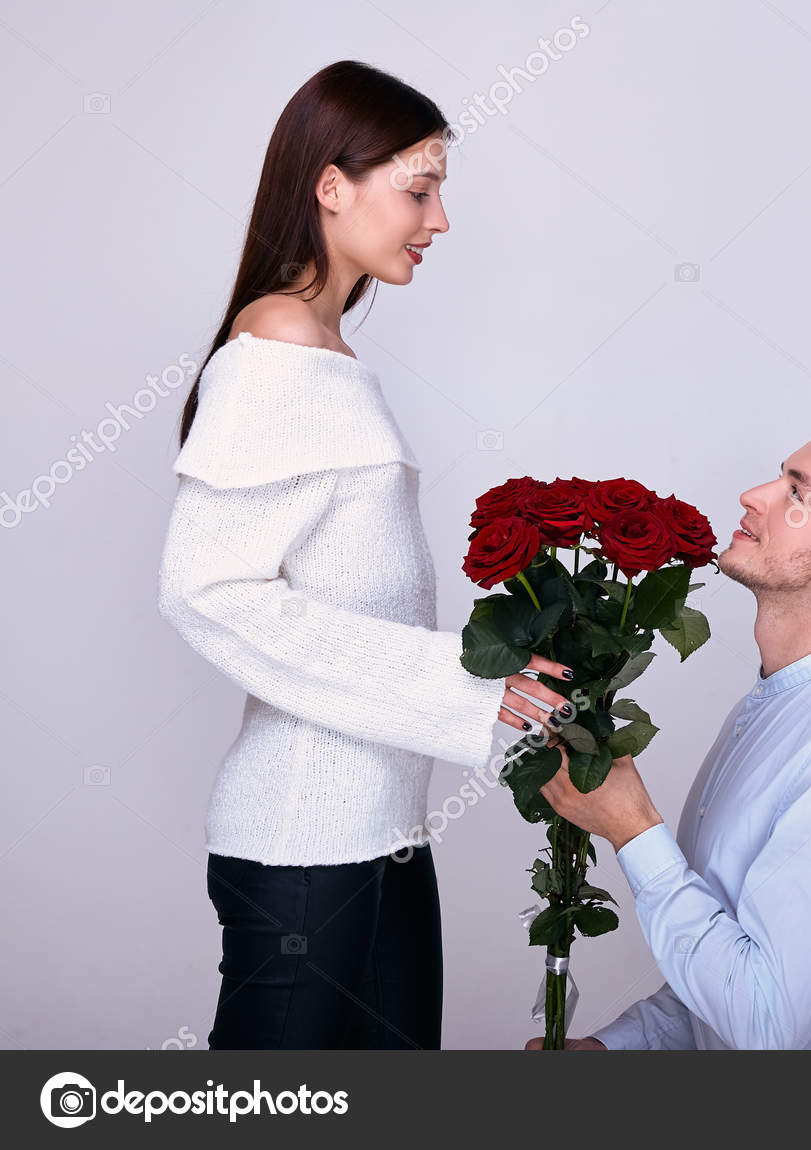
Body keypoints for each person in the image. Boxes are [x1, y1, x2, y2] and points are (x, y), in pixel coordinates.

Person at [157, 61, 570, 1049]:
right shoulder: (278, 354)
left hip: (380, 834)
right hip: (304, 848)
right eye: (417, 188)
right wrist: (462, 685)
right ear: (331, 186)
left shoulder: (325, 353)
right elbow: (204, 589)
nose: (438, 219)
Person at [528, 399, 811, 1049]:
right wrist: (613, 1049)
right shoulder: (776, 705)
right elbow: (730, 973)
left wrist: (633, 829)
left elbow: (763, 1022)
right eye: (778, 476)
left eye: (796, 492)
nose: (753, 496)